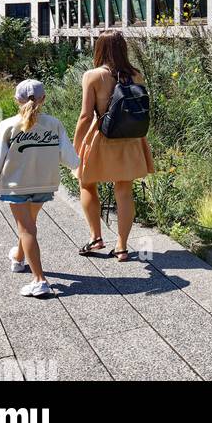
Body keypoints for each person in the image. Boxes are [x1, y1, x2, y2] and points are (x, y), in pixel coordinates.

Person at [0, 79, 80, 299]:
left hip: (16, 186)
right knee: (29, 226)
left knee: (27, 229)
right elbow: (71, 159)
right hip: (44, 183)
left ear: (17, 99)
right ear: (43, 99)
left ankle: (39, 280)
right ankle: (18, 258)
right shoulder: (54, 124)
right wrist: (80, 166)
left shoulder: (6, 126)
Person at [75, 29, 154, 261]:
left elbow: (85, 116)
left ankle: (96, 237)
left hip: (102, 137)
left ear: (99, 48)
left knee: (87, 183)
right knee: (124, 190)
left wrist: (76, 144)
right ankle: (121, 246)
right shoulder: (136, 74)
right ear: (123, 48)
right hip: (130, 139)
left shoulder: (93, 75)